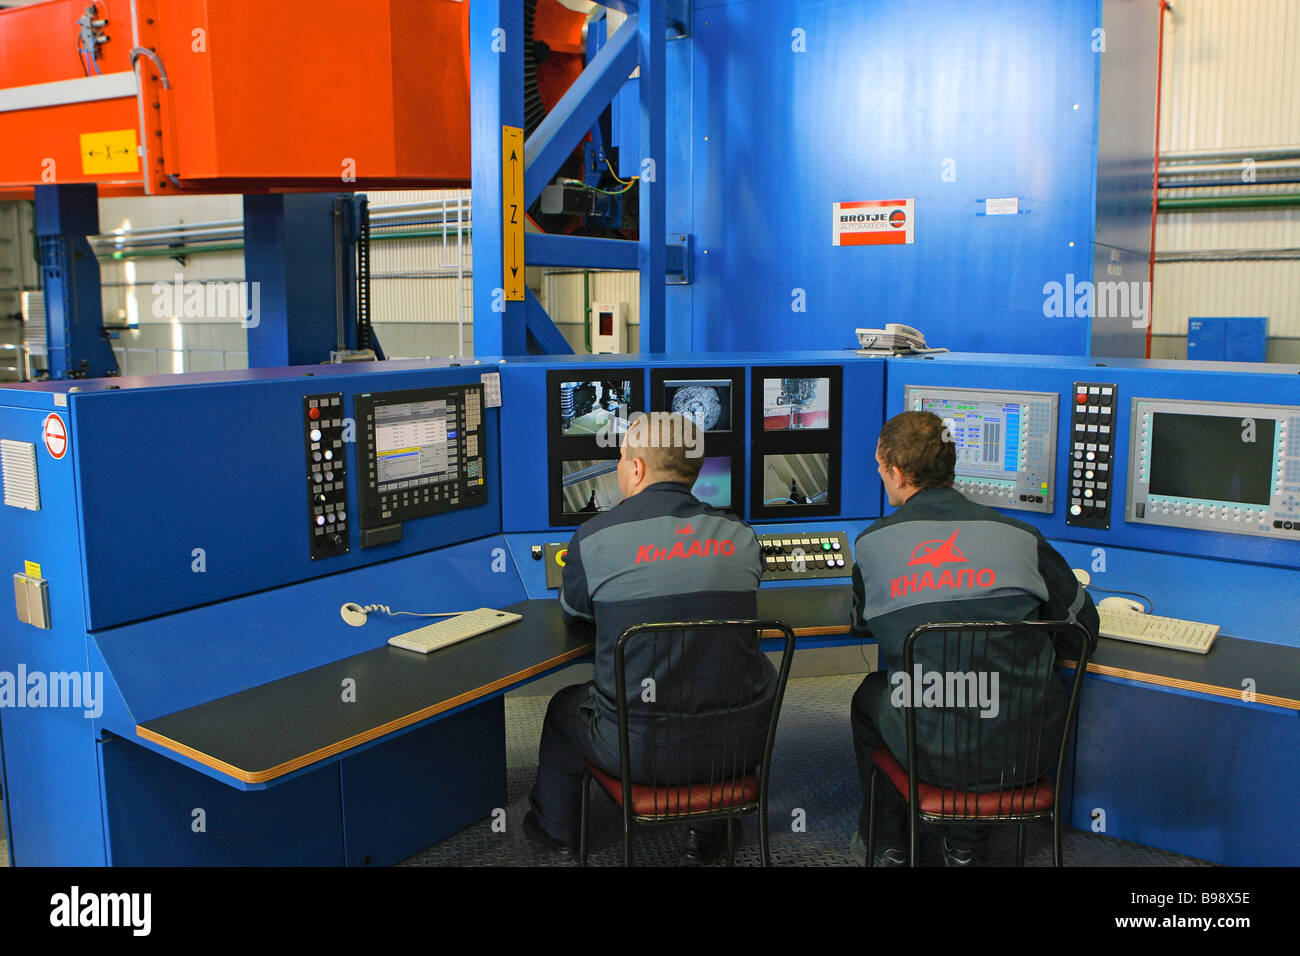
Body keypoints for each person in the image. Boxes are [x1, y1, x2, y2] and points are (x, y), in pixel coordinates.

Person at [848, 411, 1099, 866]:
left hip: (931, 750)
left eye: (881, 469)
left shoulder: (871, 545)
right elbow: (1083, 630)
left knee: (869, 696)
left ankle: (887, 843)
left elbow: (864, 624)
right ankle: (964, 842)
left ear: (897, 473)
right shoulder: (1021, 537)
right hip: (1026, 750)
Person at [525, 411, 775, 863]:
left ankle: (555, 830)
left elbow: (576, 612)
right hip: (738, 746)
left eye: (621, 459)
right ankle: (709, 831)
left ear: (636, 468)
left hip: (637, 752)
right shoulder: (742, 537)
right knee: (726, 673)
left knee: (565, 707)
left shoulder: (594, 537)